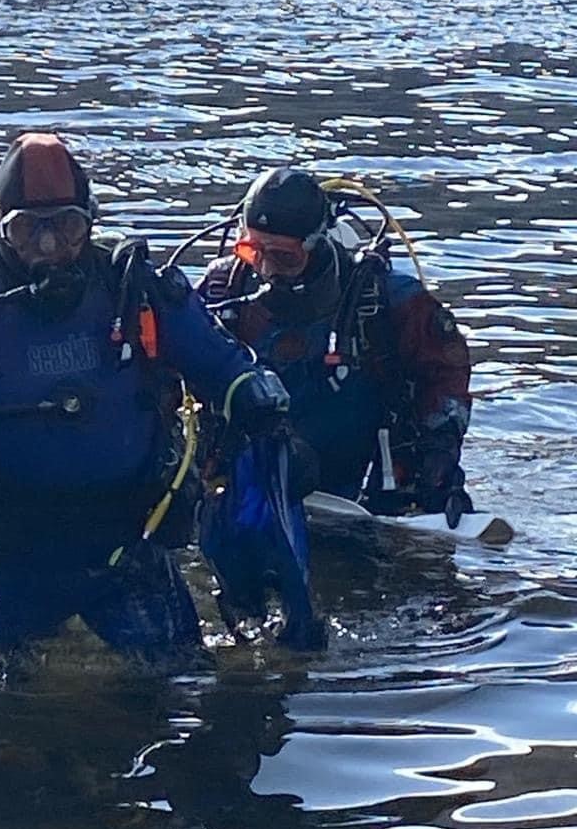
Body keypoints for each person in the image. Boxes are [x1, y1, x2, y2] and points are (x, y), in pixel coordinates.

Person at [0, 132, 291, 663]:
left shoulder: (134, 291)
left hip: (126, 544)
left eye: (66, 226)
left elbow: (225, 368)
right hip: (6, 553)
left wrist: (266, 414)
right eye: (26, 229)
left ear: (91, 222)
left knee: (180, 683)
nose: (47, 246)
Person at [196, 166, 472, 634]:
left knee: (419, 599)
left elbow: (445, 373)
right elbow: (169, 377)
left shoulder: (384, 300)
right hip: (259, 475)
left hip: (365, 482)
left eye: (283, 257)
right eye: (253, 252)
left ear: (316, 242)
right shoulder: (224, 294)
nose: (267, 270)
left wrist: (439, 455)